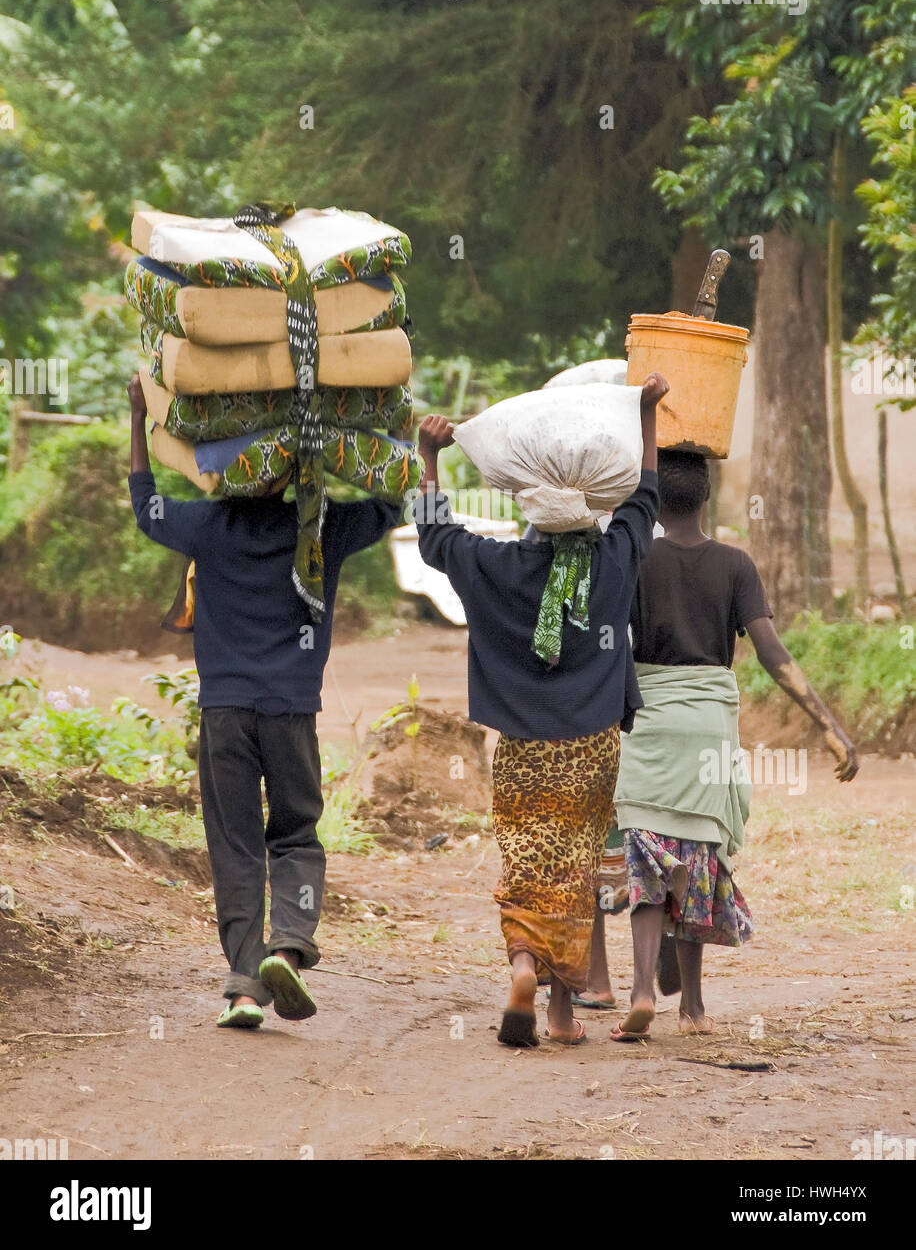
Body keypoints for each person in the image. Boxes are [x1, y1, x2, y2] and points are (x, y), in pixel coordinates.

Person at [127, 374, 402, 1029]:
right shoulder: (321, 527)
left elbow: (146, 507)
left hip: (223, 712)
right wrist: (386, 423)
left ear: (226, 472)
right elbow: (391, 505)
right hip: (290, 712)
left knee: (236, 846)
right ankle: (290, 943)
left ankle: (246, 988)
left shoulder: (206, 525)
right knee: (297, 836)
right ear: (288, 471)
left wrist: (138, 419)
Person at [415, 375, 668, 1048]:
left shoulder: (491, 565)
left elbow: (436, 538)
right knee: (579, 870)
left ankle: (524, 964)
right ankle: (559, 1016)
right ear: (587, 510)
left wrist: (430, 457)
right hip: (592, 747)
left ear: (527, 508)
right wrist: (646, 414)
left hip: (523, 748)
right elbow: (645, 496)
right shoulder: (614, 559)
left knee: (529, 864)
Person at [609, 448, 859, 1041]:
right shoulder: (736, 564)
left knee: (646, 857)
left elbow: (609, 642)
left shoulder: (635, 556)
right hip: (707, 728)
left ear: (655, 499)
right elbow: (773, 653)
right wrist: (827, 724)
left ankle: (643, 989)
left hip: (650, 719)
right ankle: (692, 1006)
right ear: (707, 496)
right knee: (696, 862)